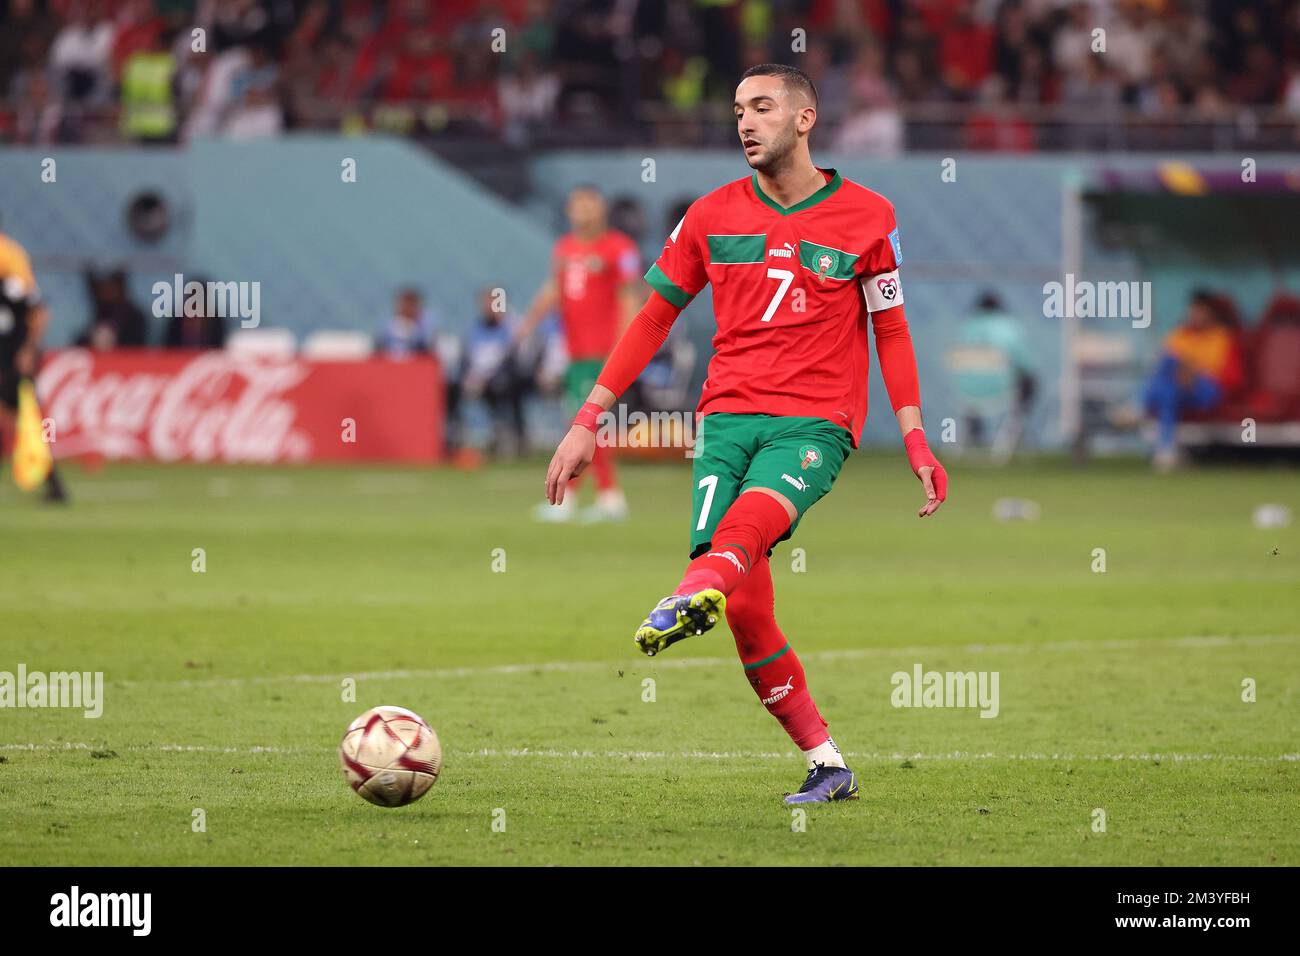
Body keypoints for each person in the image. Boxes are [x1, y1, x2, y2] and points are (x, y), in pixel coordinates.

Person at [542, 65, 947, 804]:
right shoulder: (709, 216)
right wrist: (584, 423)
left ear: (804, 118)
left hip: (816, 423)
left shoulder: (869, 216)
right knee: (749, 608)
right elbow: (653, 318)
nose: (745, 122)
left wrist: (916, 438)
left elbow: (889, 328)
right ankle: (829, 763)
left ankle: (686, 592)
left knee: (742, 536)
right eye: (737, 111)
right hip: (724, 421)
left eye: (762, 107)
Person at [517, 185, 641, 523]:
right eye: (577, 205)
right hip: (575, 352)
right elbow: (554, 289)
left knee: (584, 424)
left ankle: (578, 497)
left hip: (603, 352)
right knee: (587, 425)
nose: (582, 211)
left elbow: (630, 298)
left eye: (589, 205)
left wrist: (624, 347)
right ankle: (608, 496)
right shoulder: (564, 248)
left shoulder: (619, 249)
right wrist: (528, 322)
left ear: (601, 209)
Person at [0, 214, 68, 502]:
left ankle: (53, 483)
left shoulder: (9, 260)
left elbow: (38, 311)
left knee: (25, 418)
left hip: (12, 355)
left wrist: (28, 350)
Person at [1142, 290, 1243, 471]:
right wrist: (1183, 371)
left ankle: (1137, 406)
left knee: (1168, 384)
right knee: (1168, 387)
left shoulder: (1220, 337)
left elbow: (1220, 375)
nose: (1195, 316)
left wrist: (1191, 373)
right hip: (1177, 387)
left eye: (1200, 311)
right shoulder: (1180, 334)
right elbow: (1166, 367)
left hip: (1206, 389)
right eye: (1193, 311)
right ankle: (1165, 450)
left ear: (1210, 314)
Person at [950, 290, 1036, 462]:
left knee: (976, 388)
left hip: (965, 392)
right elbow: (1025, 364)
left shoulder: (965, 327)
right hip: (1000, 392)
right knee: (1030, 383)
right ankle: (1012, 434)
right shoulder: (1008, 327)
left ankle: (974, 430)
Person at [461, 288, 527, 458]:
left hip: (503, 378)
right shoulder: (475, 330)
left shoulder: (510, 327)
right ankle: (458, 436)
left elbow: (512, 356)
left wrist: (486, 377)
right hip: (477, 379)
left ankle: (512, 437)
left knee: (504, 386)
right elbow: (468, 358)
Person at [375, 287, 437, 358]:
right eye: (404, 304)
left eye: (410, 305)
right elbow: (380, 344)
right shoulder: (388, 323)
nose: (407, 308)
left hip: (418, 361)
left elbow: (427, 342)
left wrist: (412, 330)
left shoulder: (426, 322)